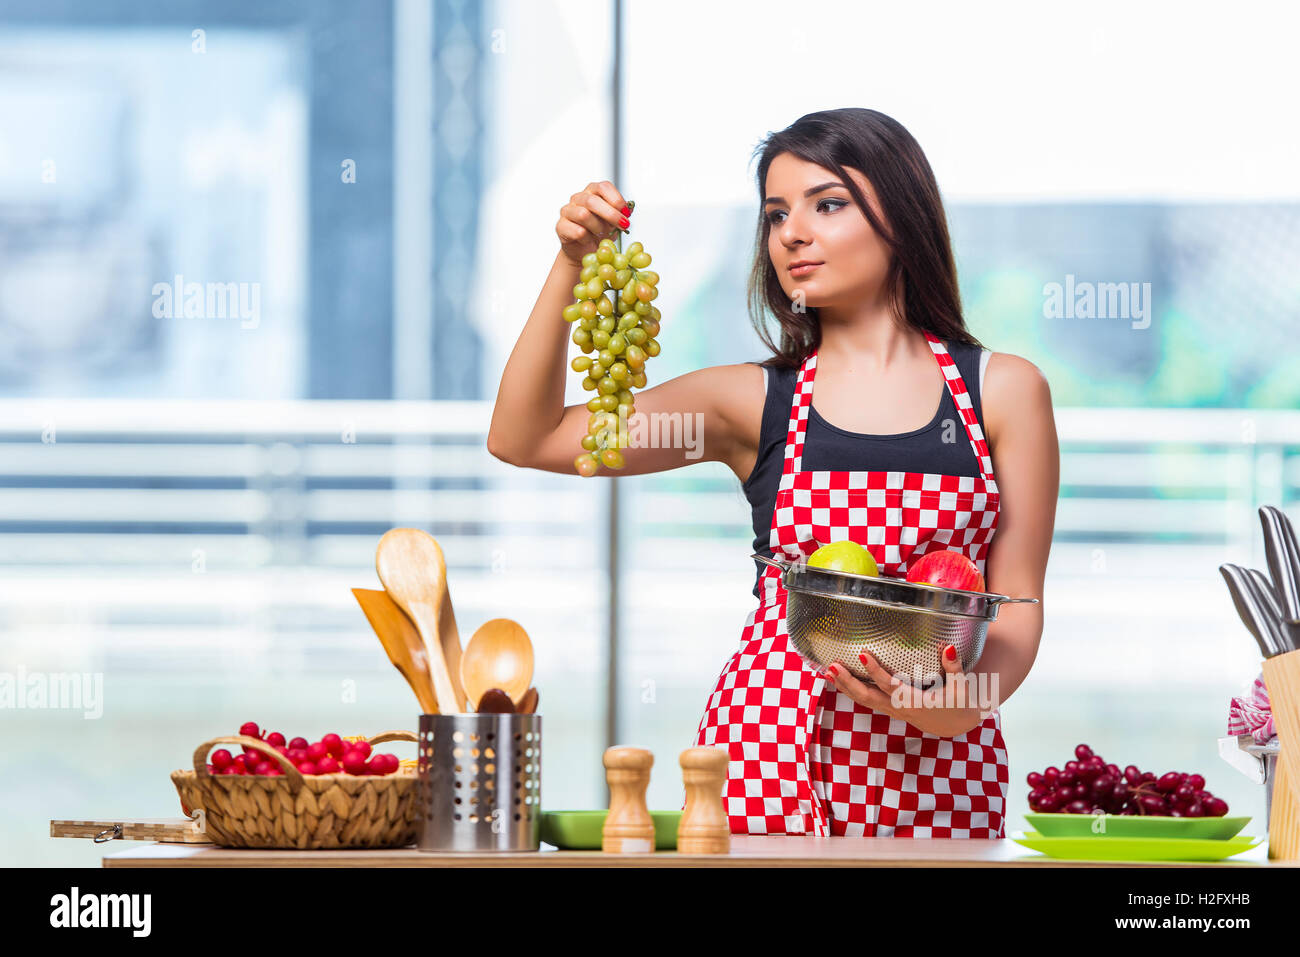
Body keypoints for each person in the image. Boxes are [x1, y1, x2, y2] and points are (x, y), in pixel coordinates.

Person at [487, 107, 1058, 838]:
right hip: (765, 760)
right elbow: (525, 436)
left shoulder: (1004, 393)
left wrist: (952, 705)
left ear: (904, 214)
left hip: (941, 765)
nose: (792, 232)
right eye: (776, 213)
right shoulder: (750, 403)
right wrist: (571, 261)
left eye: (828, 203)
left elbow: (1018, 607)